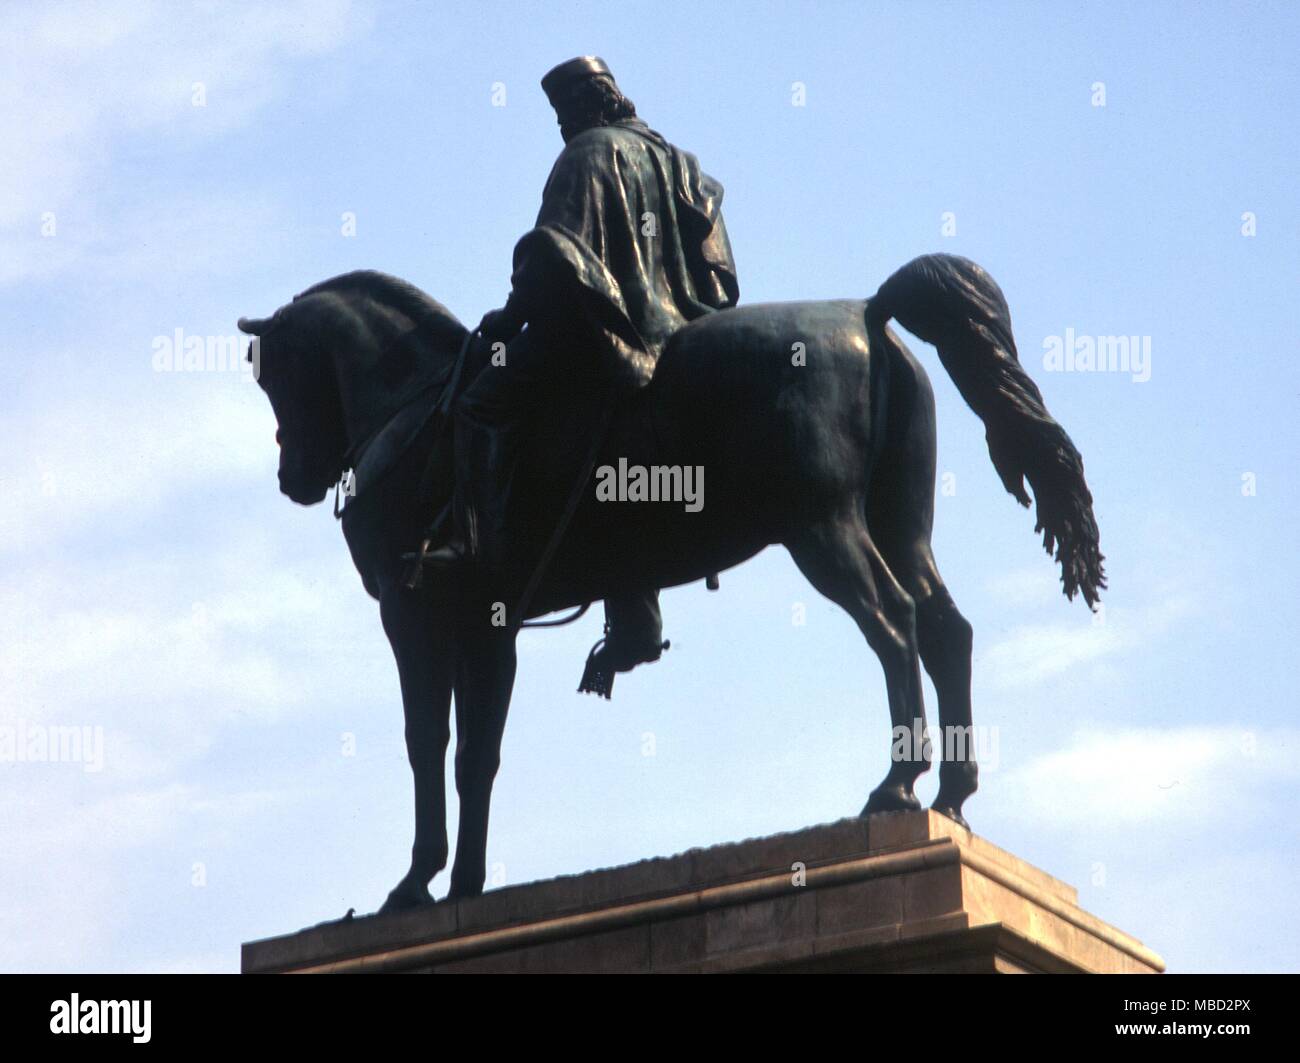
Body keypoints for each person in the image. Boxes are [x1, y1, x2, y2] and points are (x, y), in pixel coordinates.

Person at [417, 56, 739, 691]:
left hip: (608, 339)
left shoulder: (587, 157)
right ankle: (633, 611)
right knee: (615, 462)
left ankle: (476, 549)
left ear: (587, 107)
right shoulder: (683, 166)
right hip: (687, 337)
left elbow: (553, 259)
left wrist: (509, 320)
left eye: (564, 114)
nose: (562, 127)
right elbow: (722, 278)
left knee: (480, 402)